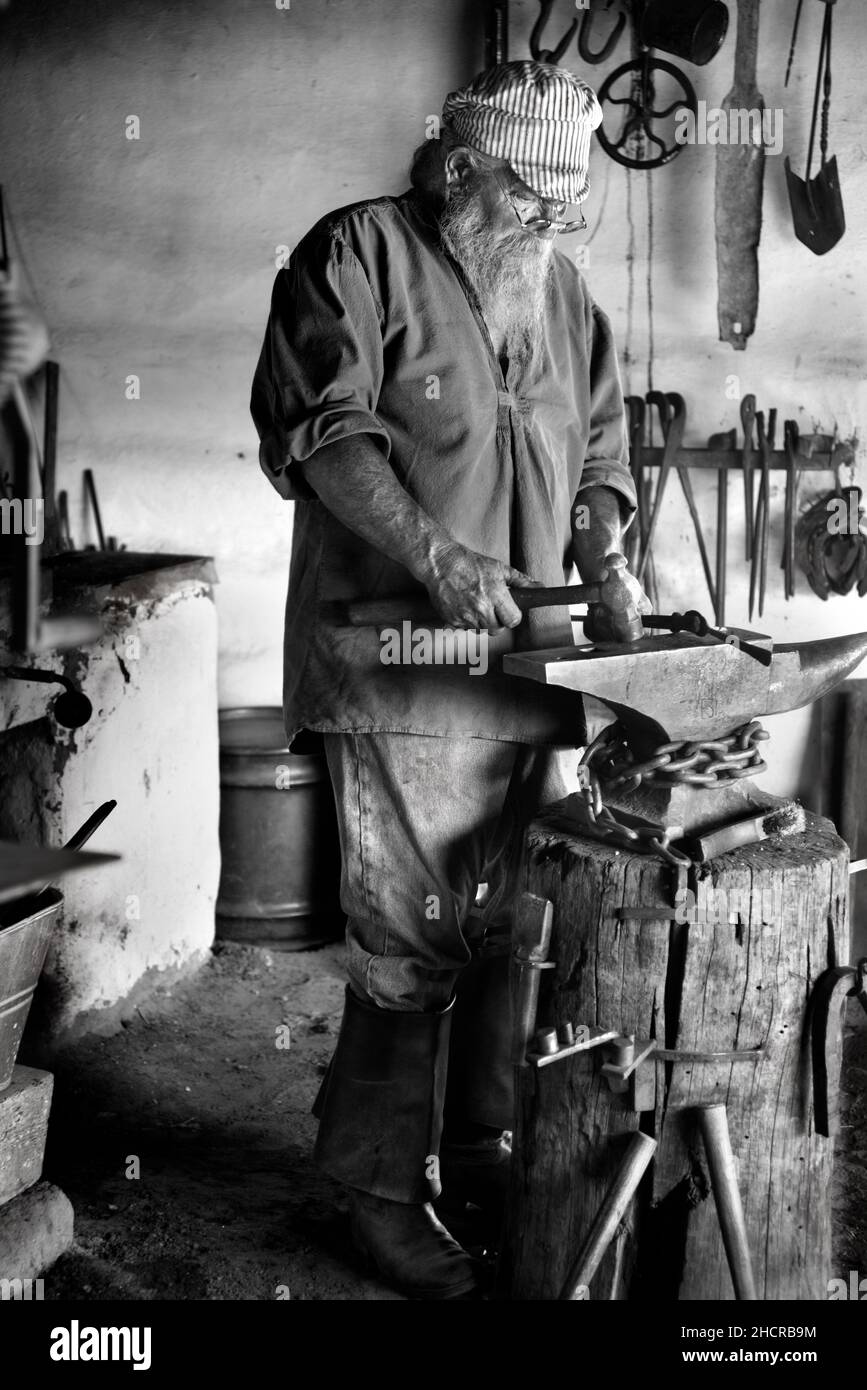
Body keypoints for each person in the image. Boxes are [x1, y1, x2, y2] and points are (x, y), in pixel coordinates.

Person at [251, 60, 649, 1300]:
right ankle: (377, 1192)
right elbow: (322, 431)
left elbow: (599, 445)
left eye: (562, 211)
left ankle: (472, 1152)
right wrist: (435, 551)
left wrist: (606, 549)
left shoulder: (562, 290)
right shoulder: (353, 257)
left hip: (530, 679)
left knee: (506, 936)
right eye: (531, 202)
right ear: (458, 169)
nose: (546, 228)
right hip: (401, 663)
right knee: (412, 939)